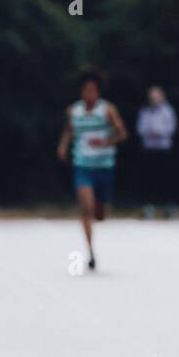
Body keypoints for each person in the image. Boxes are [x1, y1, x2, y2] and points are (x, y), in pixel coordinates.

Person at [57, 70, 127, 271]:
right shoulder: (74, 111)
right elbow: (69, 131)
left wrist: (106, 142)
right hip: (82, 165)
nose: (89, 94)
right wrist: (62, 147)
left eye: (93, 91)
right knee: (86, 208)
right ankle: (91, 252)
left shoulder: (108, 110)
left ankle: (98, 214)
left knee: (100, 214)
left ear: (98, 92)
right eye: (86, 90)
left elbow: (122, 133)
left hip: (104, 166)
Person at [136, 85, 179, 219]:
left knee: (166, 179)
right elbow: (140, 128)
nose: (154, 99)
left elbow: (171, 128)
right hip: (149, 149)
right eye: (152, 97)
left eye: (156, 96)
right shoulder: (145, 111)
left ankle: (170, 208)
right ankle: (148, 208)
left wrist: (158, 133)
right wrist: (149, 133)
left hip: (164, 149)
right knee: (148, 180)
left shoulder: (168, 111)